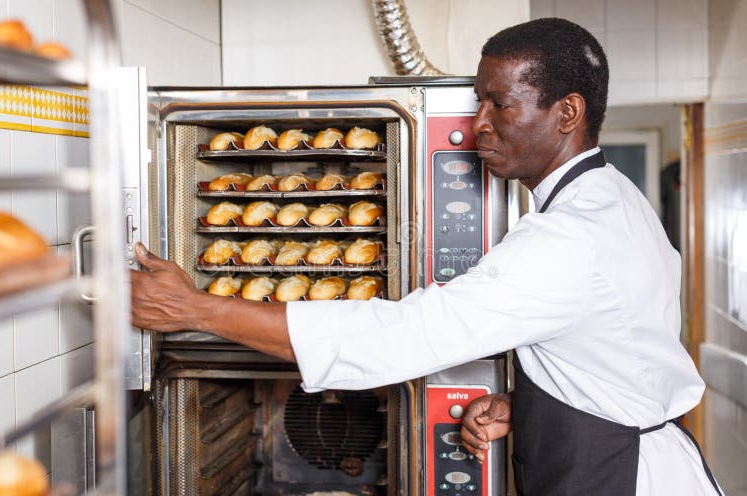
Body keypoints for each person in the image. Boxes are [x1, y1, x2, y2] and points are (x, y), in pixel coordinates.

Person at [131, 18, 721, 496]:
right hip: (623, 453)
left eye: (499, 105)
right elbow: (626, 348)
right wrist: (537, 407)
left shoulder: (568, 237)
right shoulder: (615, 198)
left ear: (566, 113)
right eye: (477, 104)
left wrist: (197, 309)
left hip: (623, 480)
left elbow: (402, 335)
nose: (477, 125)